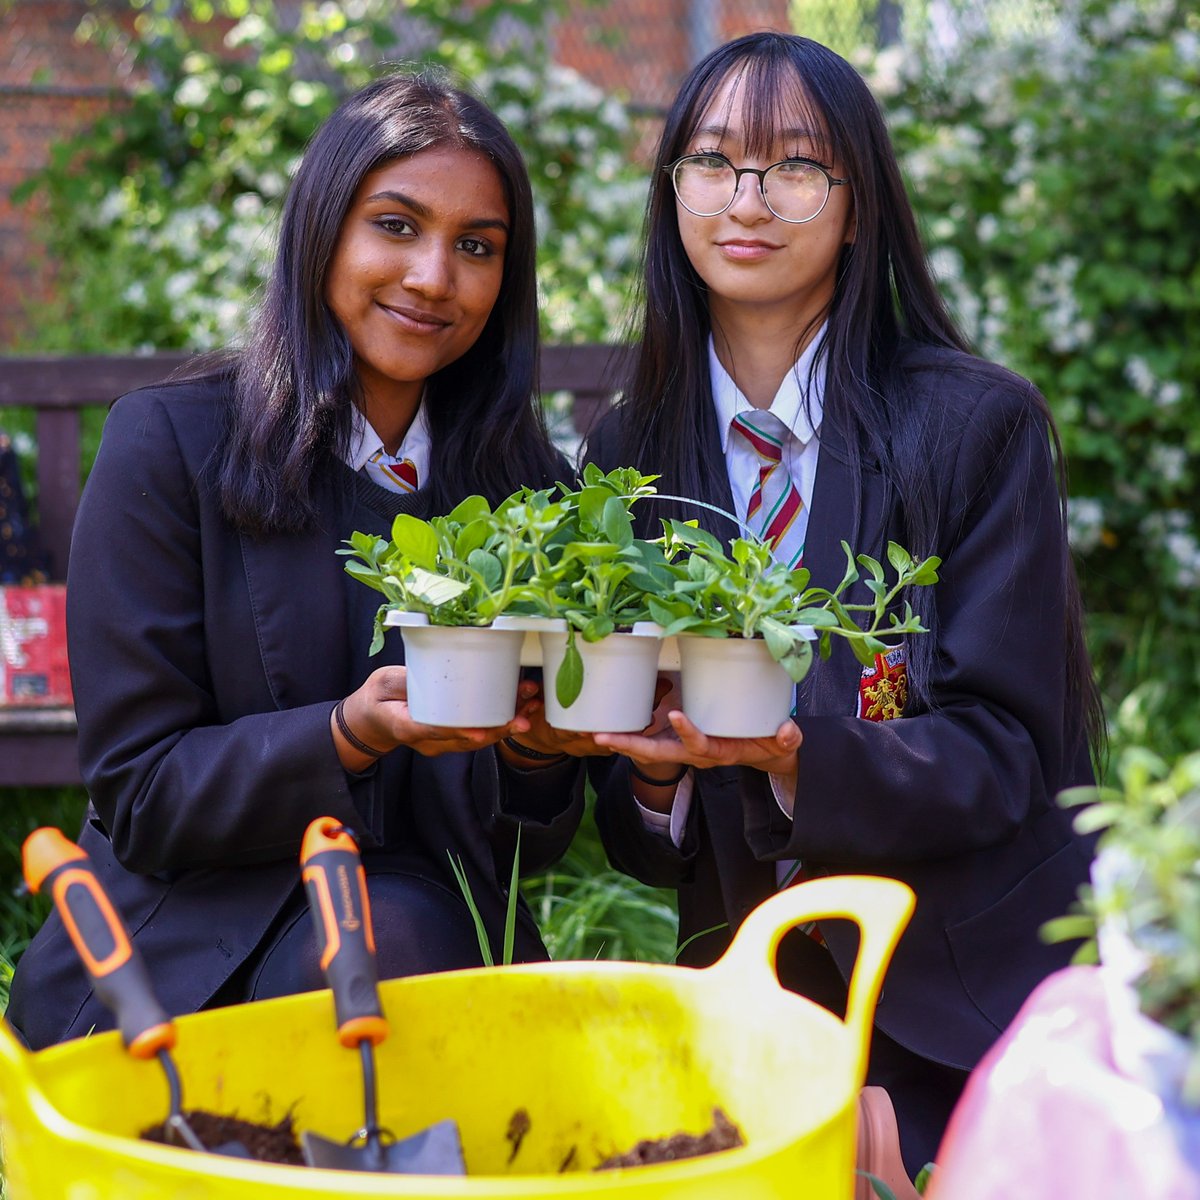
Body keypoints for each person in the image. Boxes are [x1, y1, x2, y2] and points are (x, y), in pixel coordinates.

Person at [582, 32, 1104, 1177]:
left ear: (859, 207)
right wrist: (659, 774)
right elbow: (636, 835)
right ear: (674, 193)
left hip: (956, 987)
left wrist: (786, 755)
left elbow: (1009, 751)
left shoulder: (974, 426)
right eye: (714, 163)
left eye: (798, 166)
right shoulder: (631, 453)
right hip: (748, 990)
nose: (748, 200)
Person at [9, 69, 590, 1050]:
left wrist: (535, 753)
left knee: (394, 938)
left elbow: (525, 841)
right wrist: (346, 736)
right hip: (190, 931)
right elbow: (143, 796)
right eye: (396, 226)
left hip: (421, 923)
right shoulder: (172, 447)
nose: (433, 278)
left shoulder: (530, 494)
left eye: (477, 247)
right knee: (365, 957)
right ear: (323, 230)